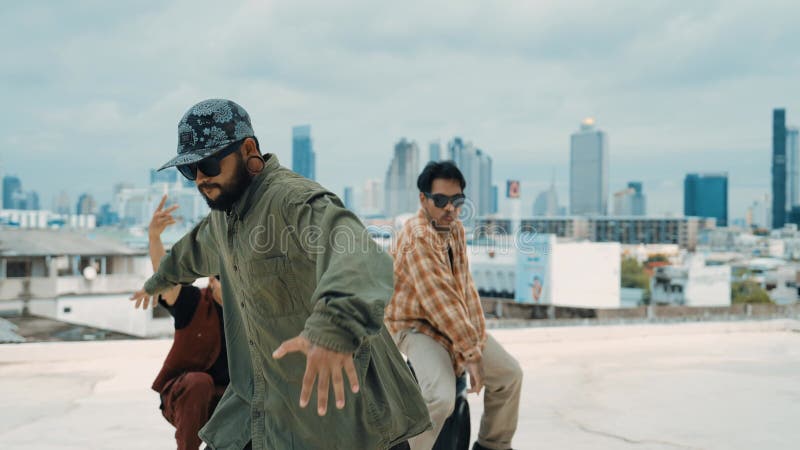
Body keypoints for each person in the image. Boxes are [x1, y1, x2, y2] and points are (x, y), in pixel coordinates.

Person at [130, 99, 429, 450]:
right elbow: (191, 251)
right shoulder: (224, 217)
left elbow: (358, 252)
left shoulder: (292, 201)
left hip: (346, 416)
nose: (200, 179)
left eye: (209, 163)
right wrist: (159, 279)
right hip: (264, 407)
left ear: (248, 149)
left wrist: (334, 328)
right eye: (189, 170)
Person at [385, 161, 523, 450]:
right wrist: (471, 355)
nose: (450, 208)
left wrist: (474, 340)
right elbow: (441, 301)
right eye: (441, 200)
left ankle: (493, 446)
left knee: (509, 376)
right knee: (439, 398)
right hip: (414, 326)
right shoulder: (417, 236)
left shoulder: (455, 230)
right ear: (423, 199)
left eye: (457, 201)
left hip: (450, 323)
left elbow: (464, 291)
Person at [136, 195, 229, 450]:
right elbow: (167, 279)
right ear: (212, 281)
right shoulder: (194, 302)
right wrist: (155, 238)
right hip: (186, 395)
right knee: (200, 383)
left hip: (229, 400)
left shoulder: (248, 311)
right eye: (222, 281)